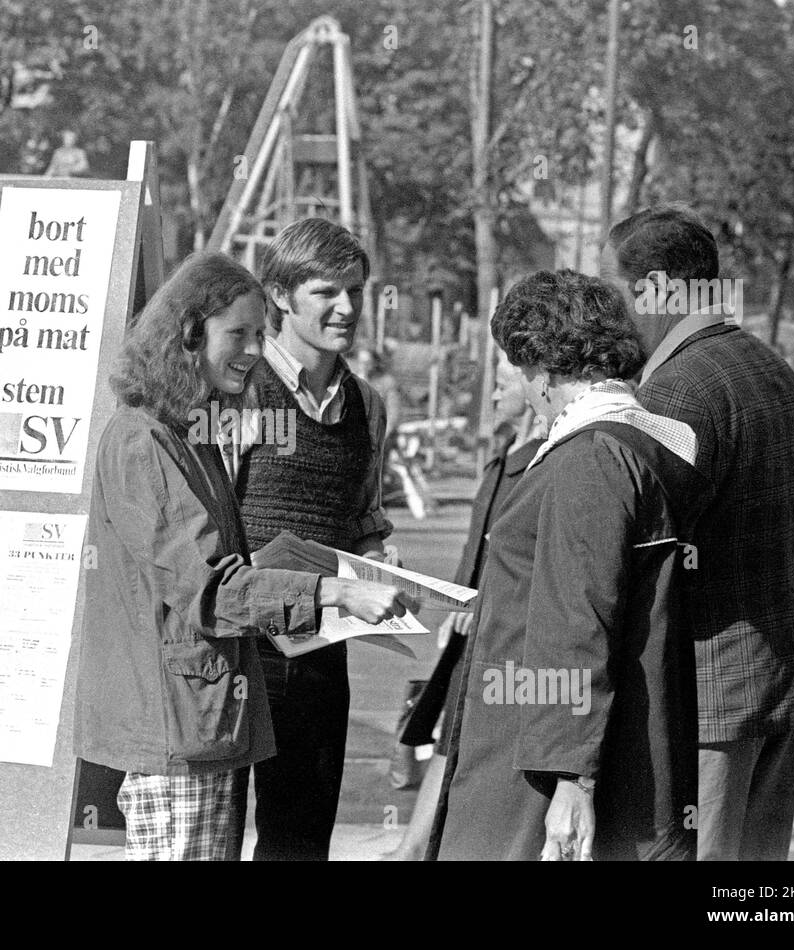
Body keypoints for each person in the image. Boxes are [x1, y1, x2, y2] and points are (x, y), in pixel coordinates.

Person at [73, 251, 414, 861]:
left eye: (259, 334)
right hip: (179, 722)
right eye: (239, 334)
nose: (256, 350)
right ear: (188, 333)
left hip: (209, 710)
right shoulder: (145, 439)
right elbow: (210, 589)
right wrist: (336, 591)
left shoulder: (182, 430)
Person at [434, 269, 703, 861]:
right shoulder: (643, 442)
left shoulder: (589, 459)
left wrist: (569, 782)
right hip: (595, 740)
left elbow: (576, 625)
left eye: (518, 368)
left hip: (534, 764)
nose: (523, 387)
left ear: (544, 366)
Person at [604, 205, 794, 861]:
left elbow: (640, 549)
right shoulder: (772, 371)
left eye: (616, 293)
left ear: (659, 289)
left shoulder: (675, 393)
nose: (610, 315)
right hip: (778, 674)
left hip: (707, 688)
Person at [222, 218, 394, 861]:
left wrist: (379, 560)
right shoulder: (234, 391)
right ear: (281, 296)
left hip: (320, 646)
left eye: (355, 290)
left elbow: (362, 519)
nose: (346, 308)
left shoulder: (368, 405)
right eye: (326, 292)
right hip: (234, 647)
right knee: (211, 835)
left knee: (300, 843)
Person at [387, 352, 547, 860]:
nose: (493, 395)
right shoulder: (504, 457)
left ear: (530, 385)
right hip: (466, 642)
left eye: (502, 385)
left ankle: (415, 851)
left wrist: (480, 606)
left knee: (457, 760)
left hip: (495, 646)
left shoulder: (541, 463)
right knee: (443, 748)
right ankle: (412, 849)